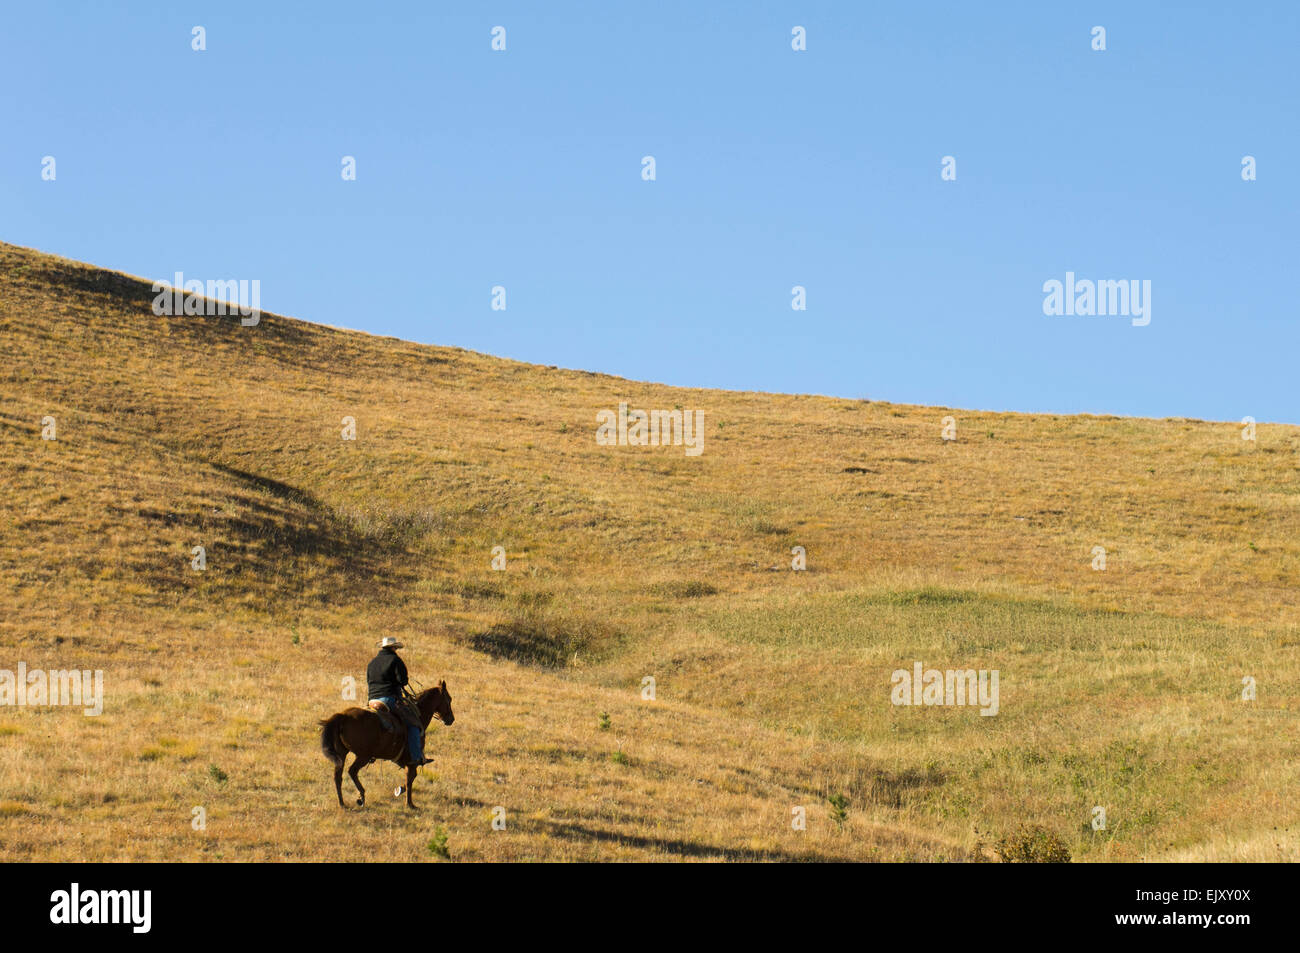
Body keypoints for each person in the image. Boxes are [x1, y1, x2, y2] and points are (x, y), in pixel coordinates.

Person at [366, 636, 430, 766]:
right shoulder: (395, 660)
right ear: (393, 647)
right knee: (414, 725)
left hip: (372, 700)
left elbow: (369, 680)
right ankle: (417, 757)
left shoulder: (372, 663)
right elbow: (403, 681)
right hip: (389, 698)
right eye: (395, 647)